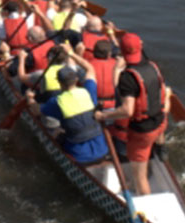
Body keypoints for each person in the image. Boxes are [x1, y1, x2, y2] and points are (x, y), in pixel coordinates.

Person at [97, 33, 169, 196]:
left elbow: (127, 110)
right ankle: (161, 149)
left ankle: (147, 212)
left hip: (142, 132)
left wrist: (103, 116)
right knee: (155, 138)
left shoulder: (127, 77)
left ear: (121, 52)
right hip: (160, 122)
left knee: (139, 177)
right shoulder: (153, 67)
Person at [25, 51, 110, 166]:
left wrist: (30, 99)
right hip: (103, 150)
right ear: (76, 80)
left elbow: (36, 111)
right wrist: (70, 52)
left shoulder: (57, 101)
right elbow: (90, 69)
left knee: (55, 131)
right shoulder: (88, 91)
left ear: (60, 84)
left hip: (79, 157)